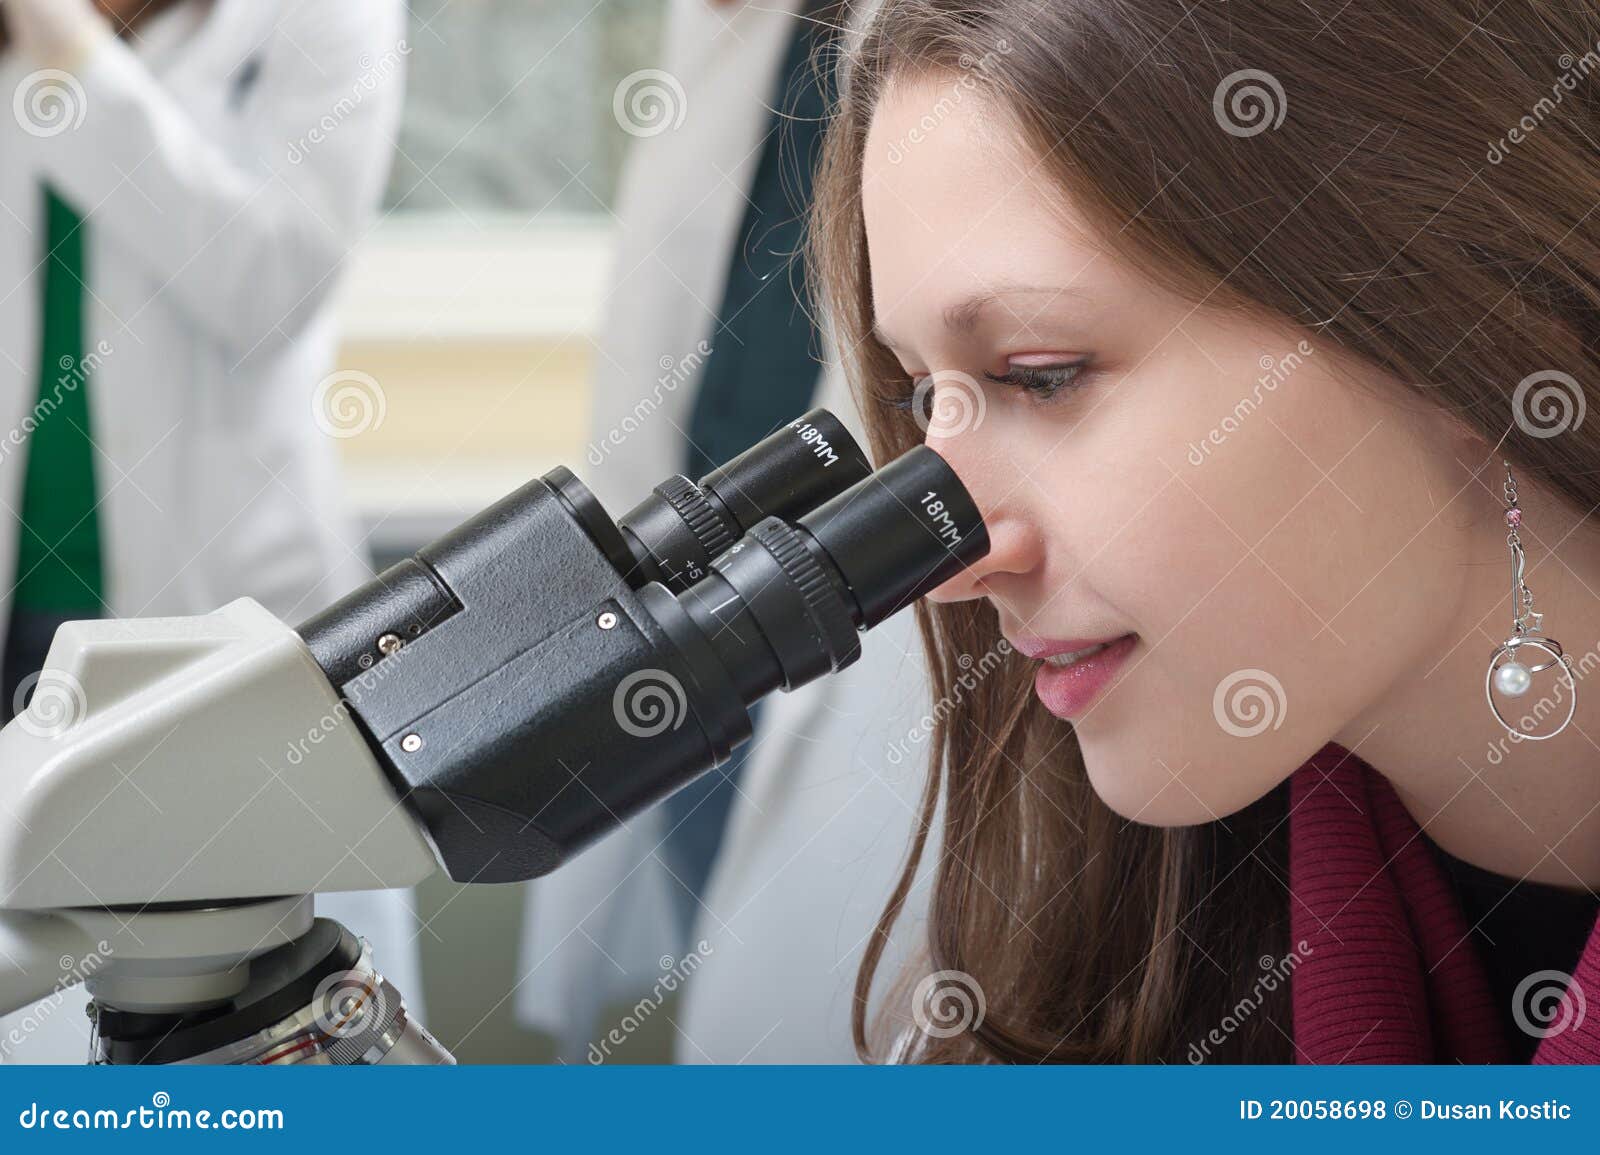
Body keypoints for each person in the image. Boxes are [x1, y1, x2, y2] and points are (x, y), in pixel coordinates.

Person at [810, 0, 1600, 1062]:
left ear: (1487, 328)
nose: (950, 571)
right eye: (919, 400)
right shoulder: (1143, 968)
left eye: (1043, 376)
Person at [0, 0, 422, 1062]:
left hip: (215, 614)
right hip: (23, 611)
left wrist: (68, 49)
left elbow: (270, 283)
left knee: (254, 1032)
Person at [516, 0, 933, 1063]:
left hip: (870, 638)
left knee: (845, 1013)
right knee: (723, 975)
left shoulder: (946, 37)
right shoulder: (741, 33)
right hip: (692, 618)